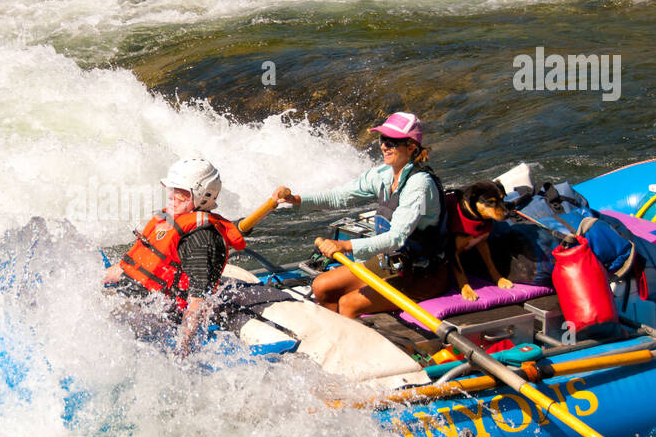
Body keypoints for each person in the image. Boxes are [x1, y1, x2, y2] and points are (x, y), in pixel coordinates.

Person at [272, 111, 448, 318]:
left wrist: (345, 245)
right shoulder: (382, 175)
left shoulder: (420, 186)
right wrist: (297, 200)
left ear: (410, 147)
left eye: (391, 142)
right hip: (392, 262)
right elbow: (340, 196)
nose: (384, 146)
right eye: (383, 139)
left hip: (423, 273)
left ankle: (351, 340)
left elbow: (396, 238)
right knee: (321, 286)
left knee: (349, 303)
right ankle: (344, 335)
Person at [103, 157, 245, 354]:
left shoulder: (201, 240)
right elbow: (124, 269)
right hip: (135, 298)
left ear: (203, 196)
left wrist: (183, 349)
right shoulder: (168, 219)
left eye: (182, 195)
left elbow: (197, 303)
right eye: (172, 191)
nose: (173, 199)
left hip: (160, 318)